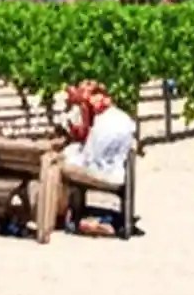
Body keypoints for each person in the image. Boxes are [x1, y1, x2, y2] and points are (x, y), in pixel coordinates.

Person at [51, 79, 137, 235]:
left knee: (59, 165)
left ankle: (59, 214)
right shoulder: (118, 116)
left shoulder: (104, 124)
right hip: (117, 168)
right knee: (69, 156)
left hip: (108, 173)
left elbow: (89, 158)